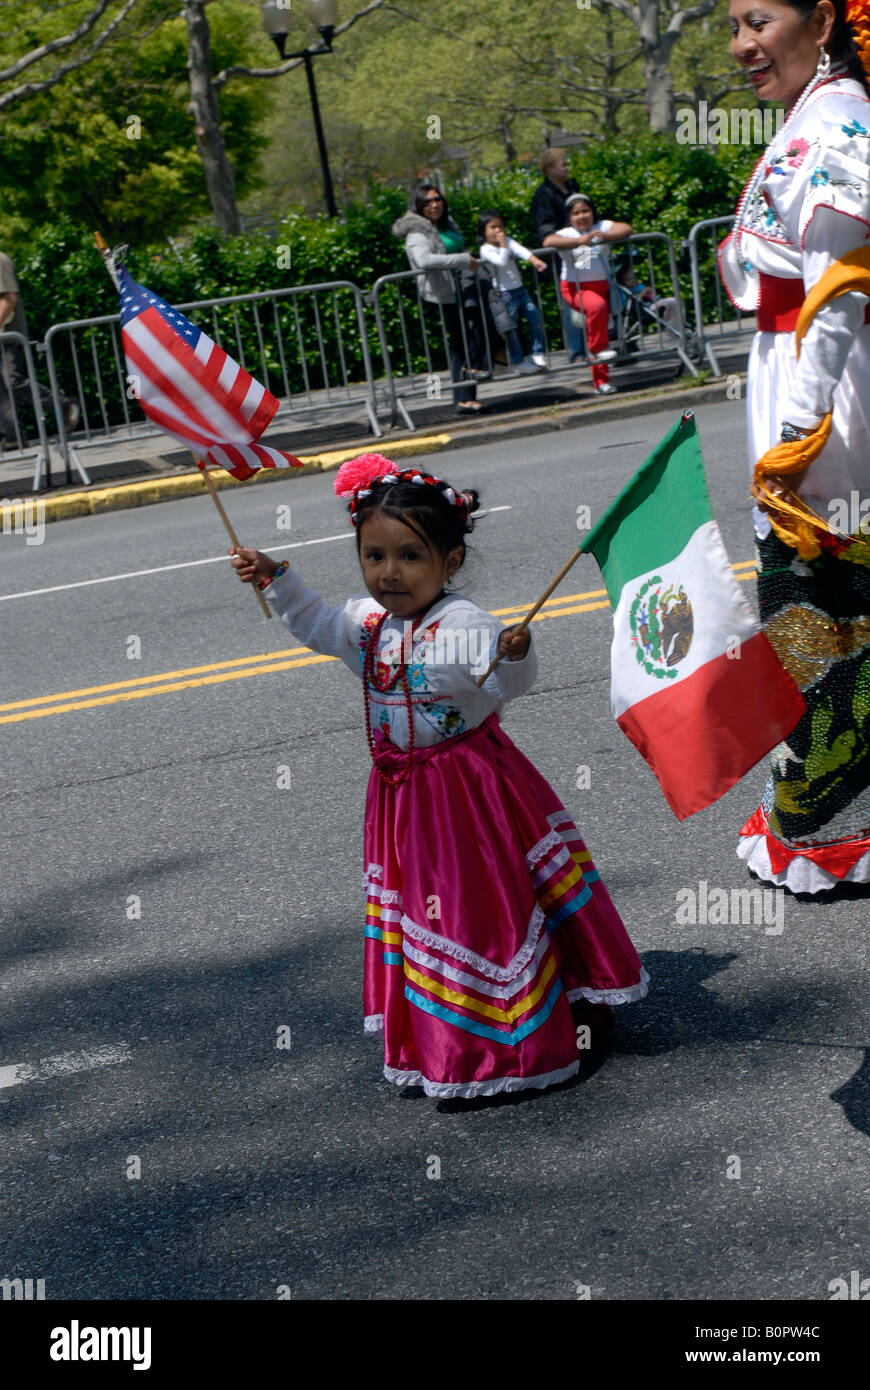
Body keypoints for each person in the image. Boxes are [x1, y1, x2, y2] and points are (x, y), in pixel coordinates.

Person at [230, 454, 648, 1099]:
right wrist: (276, 577)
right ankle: (453, 1033)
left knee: (479, 906)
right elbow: (316, 623)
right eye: (374, 556)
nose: (389, 573)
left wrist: (515, 654)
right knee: (431, 910)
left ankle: (512, 1039)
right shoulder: (369, 625)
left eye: (410, 556)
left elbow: (505, 678)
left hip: (470, 795)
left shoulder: (462, 626)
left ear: (450, 561)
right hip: (402, 798)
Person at [720, 0, 870, 894]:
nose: (741, 44)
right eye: (732, 25)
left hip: (824, 398)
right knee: (821, 608)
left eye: (758, 19)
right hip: (802, 381)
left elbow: (841, 289)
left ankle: (824, 826)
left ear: (821, 21)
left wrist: (797, 432)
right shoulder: (815, 116)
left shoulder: (838, 120)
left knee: (819, 604)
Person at [392, 186, 488, 418]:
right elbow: (424, 260)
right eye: (427, 202)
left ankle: (469, 395)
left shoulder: (448, 224)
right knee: (458, 346)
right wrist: (462, 260)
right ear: (418, 206)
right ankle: (460, 398)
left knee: (471, 339)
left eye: (437, 199)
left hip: (463, 289)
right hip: (442, 295)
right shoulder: (417, 232)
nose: (434, 205)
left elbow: (458, 247)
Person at [549, 193, 633, 395]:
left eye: (585, 211)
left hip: (601, 286)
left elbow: (627, 228)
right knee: (597, 308)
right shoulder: (567, 232)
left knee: (600, 330)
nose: (581, 216)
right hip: (575, 288)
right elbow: (548, 240)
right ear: (569, 216)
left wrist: (606, 236)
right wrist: (578, 241)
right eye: (576, 213)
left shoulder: (601, 226)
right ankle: (598, 352)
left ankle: (601, 382)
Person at [0, 250, 78, 447]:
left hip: (9, 335)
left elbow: (9, 298)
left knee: (13, 381)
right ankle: (14, 435)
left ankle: (63, 405)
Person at [530, 147, 586, 362]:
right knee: (572, 304)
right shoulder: (543, 195)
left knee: (593, 293)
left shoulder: (572, 186)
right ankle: (577, 351)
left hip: (583, 252)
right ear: (549, 168)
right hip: (561, 258)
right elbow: (545, 232)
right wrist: (573, 240)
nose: (567, 167)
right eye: (563, 164)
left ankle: (596, 344)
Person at [477, 210, 548, 374]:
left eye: (500, 226)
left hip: (519, 289)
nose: (498, 231)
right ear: (483, 231)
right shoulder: (485, 250)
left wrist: (534, 260)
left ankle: (537, 352)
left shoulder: (508, 241)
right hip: (503, 293)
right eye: (493, 227)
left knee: (535, 317)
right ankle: (517, 360)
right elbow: (500, 262)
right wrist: (503, 245)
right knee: (511, 329)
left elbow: (520, 250)